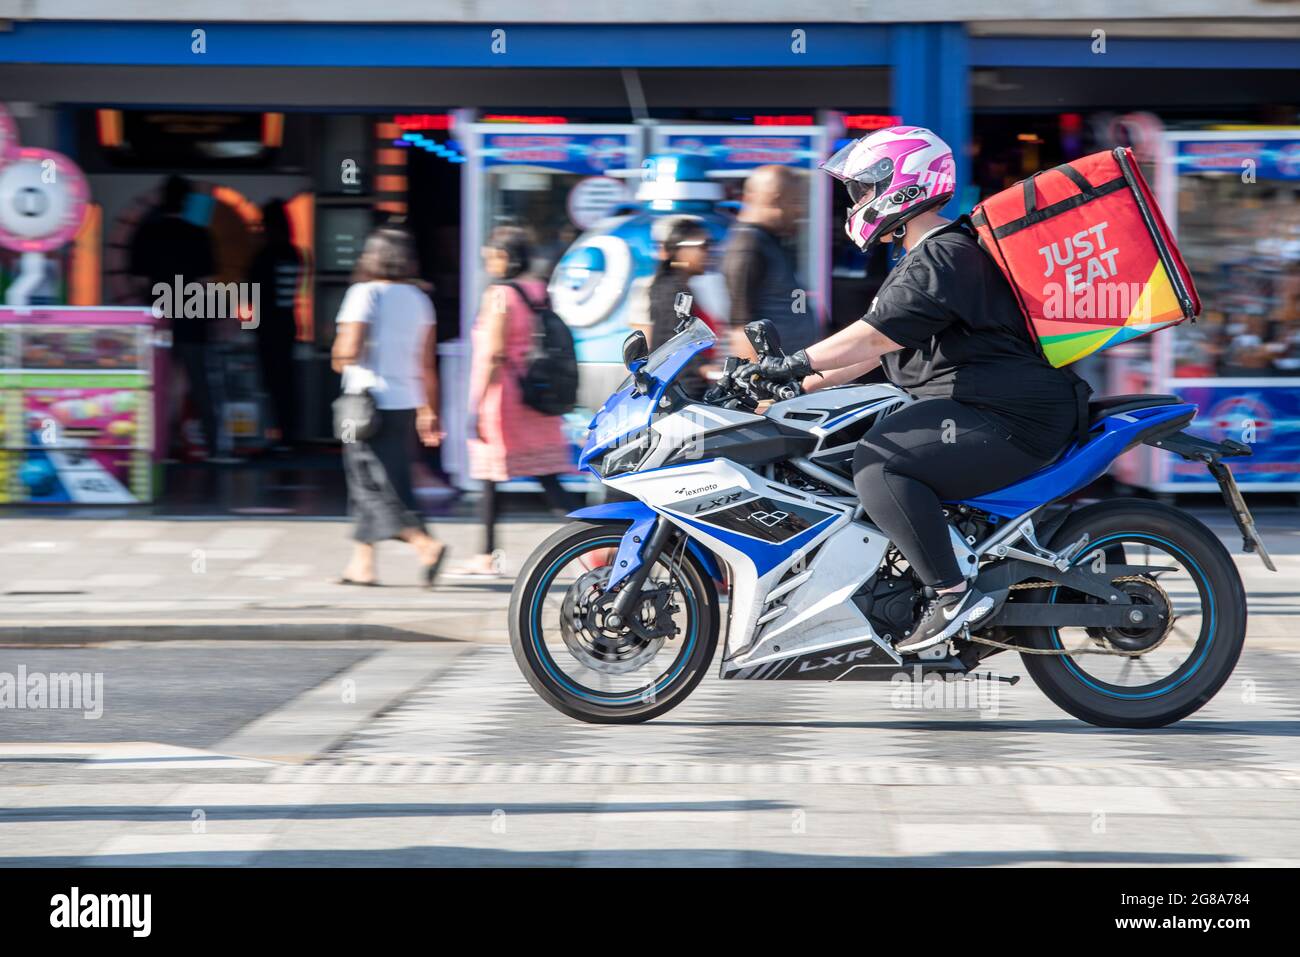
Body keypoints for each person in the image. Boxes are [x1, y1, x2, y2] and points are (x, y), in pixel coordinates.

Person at [737, 126, 1086, 653]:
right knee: (849, 448)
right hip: (989, 409)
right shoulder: (927, 257)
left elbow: (870, 336)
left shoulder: (942, 256)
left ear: (901, 184)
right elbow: (871, 354)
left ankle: (952, 593)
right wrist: (788, 390)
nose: (855, 201)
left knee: (880, 462)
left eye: (863, 188)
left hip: (1011, 417)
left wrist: (793, 363)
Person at [331, 225, 447, 587]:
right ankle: (361, 564)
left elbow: (347, 351)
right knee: (378, 480)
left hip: (365, 403)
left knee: (370, 485)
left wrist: (337, 353)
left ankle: (424, 543)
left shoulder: (363, 294)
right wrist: (429, 410)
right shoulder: (420, 299)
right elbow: (426, 364)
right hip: (404, 404)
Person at [458, 226, 575, 578]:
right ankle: (593, 545)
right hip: (537, 395)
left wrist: (476, 404)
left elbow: (493, 353)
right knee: (549, 476)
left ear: (507, 257)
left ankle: (486, 556)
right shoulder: (539, 290)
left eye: (493, 257)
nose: (490, 264)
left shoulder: (499, 296)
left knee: (491, 475)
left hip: (504, 396)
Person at [128, 175, 219, 458]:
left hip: (158, 320)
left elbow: (140, 282)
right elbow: (207, 283)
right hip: (192, 318)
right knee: (199, 381)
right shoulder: (198, 234)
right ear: (187, 202)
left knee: (159, 383)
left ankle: (160, 448)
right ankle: (215, 447)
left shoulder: (146, 233)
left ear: (161, 199)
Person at [722, 164, 816, 357]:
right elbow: (740, 328)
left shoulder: (771, 240)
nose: (800, 211)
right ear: (776, 199)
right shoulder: (748, 245)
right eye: (796, 201)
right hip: (773, 379)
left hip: (792, 373)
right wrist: (756, 380)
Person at [627, 214, 715, 396]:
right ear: (678, 250)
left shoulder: (682, 288)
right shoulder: (672, 291)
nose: (708, 251)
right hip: (684, 395)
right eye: (703, 245)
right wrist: (707, 370)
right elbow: (675, 344)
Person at [248, 199, 304, 448]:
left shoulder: (264, 256)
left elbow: (253, 294)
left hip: (268, 326)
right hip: (289, 322)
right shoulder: (295, 253)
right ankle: (289, 435)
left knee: (270, 382)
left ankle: (273, 435)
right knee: (287, 381)